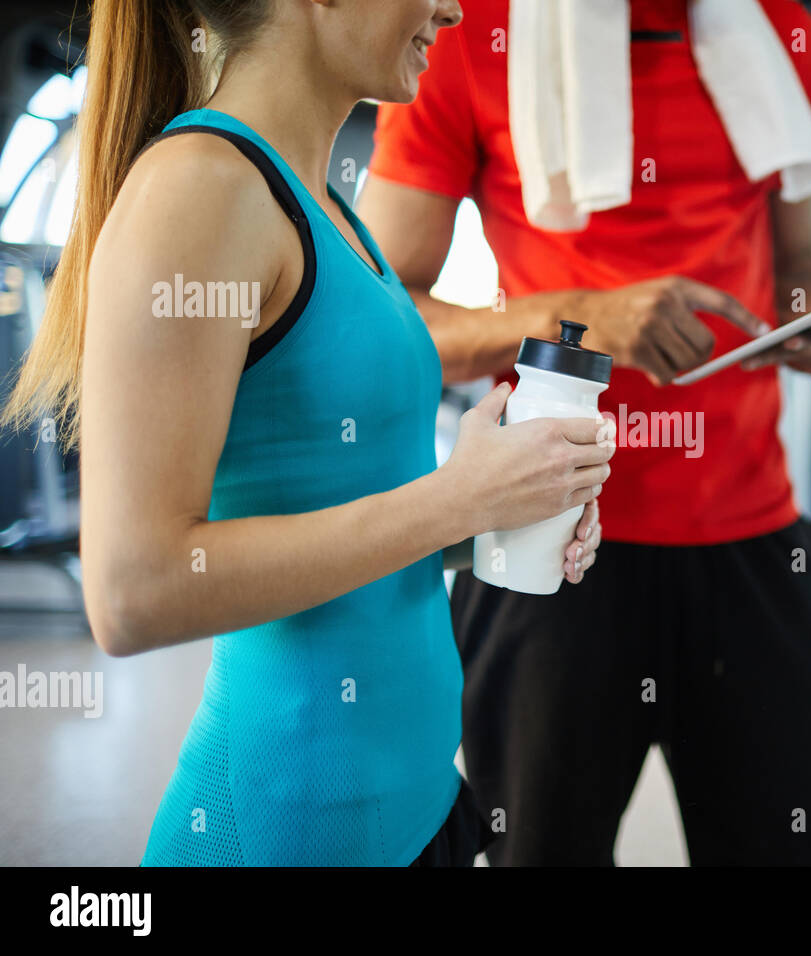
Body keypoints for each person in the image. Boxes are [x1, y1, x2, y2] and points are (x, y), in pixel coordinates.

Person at [0, 0, 614, 866]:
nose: (452, 8)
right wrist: (454, 501)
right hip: (290, 828)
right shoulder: (201, 188)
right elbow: (133, 593)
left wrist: (498, 511)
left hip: (414, 808)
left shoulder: (328, 209)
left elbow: (338, 517)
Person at [357, 0, 811, 865]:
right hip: (548, 532)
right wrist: (578, 318)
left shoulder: (781, 30)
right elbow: (387, 317)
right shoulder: (470, 33)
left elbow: (797, 281)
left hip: (753, 535)